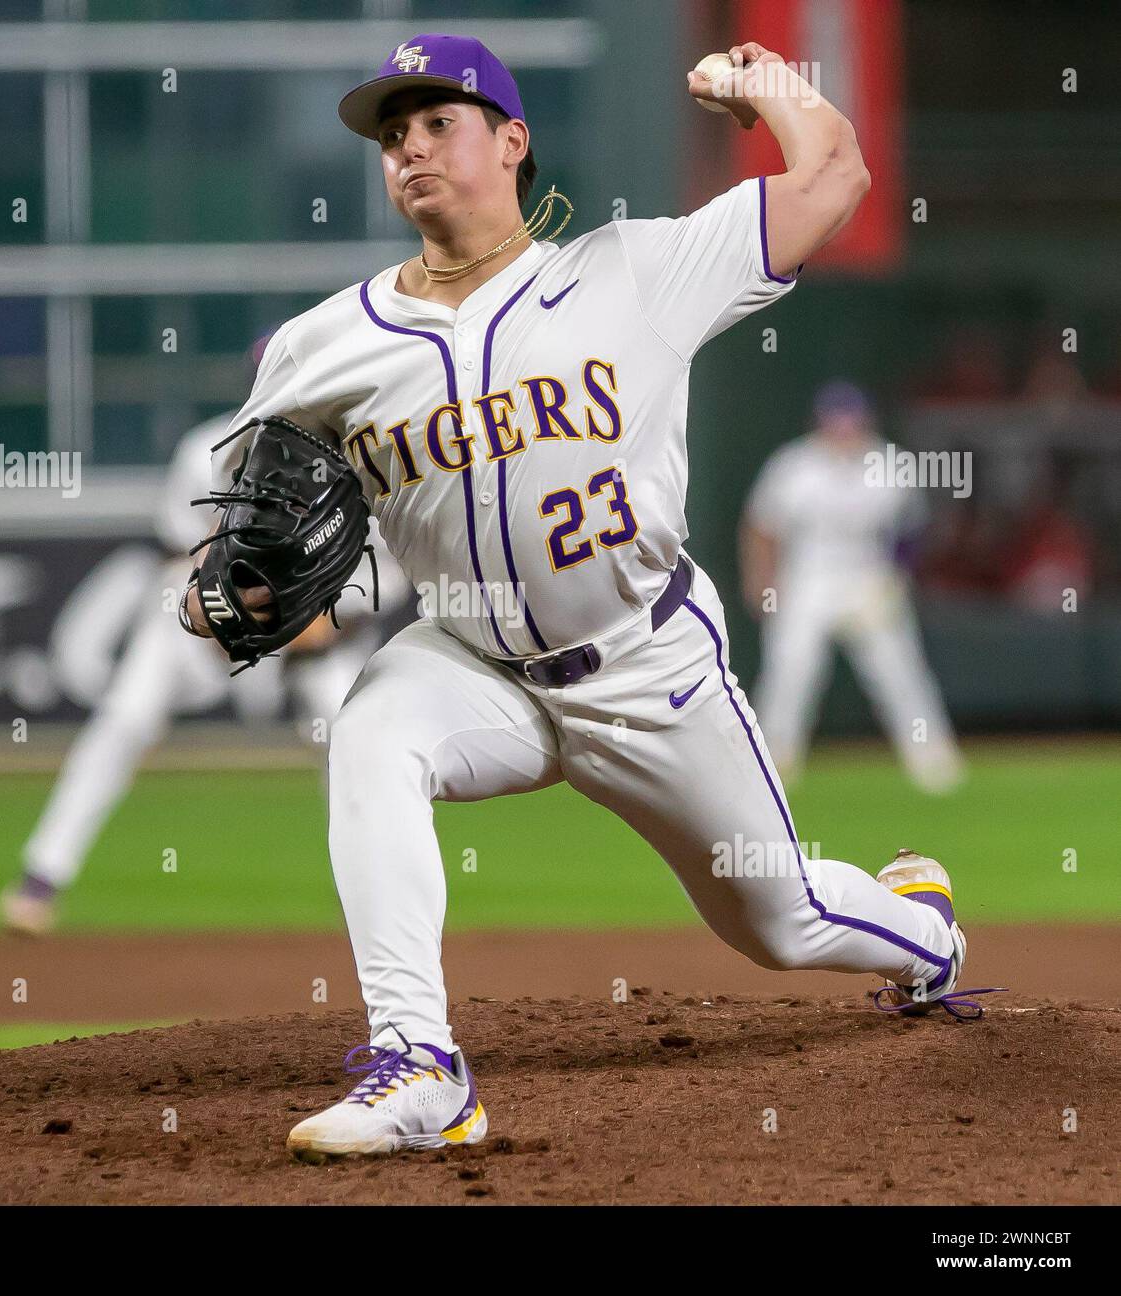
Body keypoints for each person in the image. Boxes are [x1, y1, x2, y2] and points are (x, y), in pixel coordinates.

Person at [183, 34, 989, 1161]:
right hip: (468, 662)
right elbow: (262, 578)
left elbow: (835, 180)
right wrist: (231, 606)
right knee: (369, 735)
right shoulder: (321, 351)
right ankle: (419, 1066)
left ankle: (920, 931)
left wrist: (767, 86)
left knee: (782, 922)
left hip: (644, 665)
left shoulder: (636, 270)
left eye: (438, 123)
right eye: (392, 134)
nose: (410, 149)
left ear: (511, 143)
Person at [0, 396, 406, 936]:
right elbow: (179, 552)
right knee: (126, 718)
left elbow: (386, 580)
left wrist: (318, 625)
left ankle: (372, 898)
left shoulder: (367, 457)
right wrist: (219, 614)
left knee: (351, 736)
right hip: (206, 620)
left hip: (315, 630)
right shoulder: (208, 448)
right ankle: (41, 879)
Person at [740, 381, 965, 793]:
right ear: (820, 423)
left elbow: (912, 529)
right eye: (835, 420)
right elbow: (761, 527)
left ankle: (932, 760)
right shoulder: (794, 465)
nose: (843, 429)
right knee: (790, 672)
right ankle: (773, 765)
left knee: (899, 672)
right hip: (808, 576)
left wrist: (897, 577)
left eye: (850, 420)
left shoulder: (890, 462)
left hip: (868, 574)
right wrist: (761, 580)